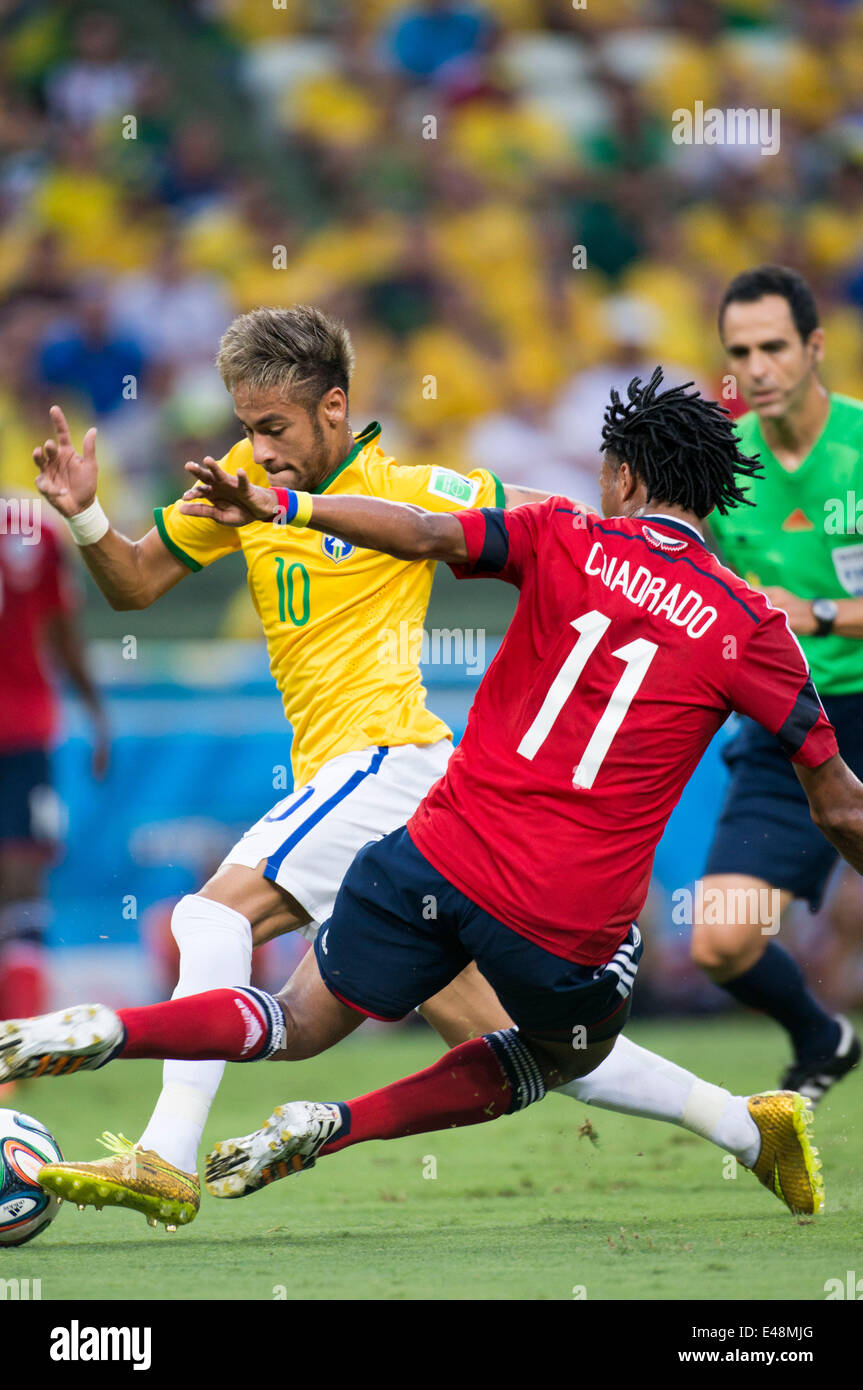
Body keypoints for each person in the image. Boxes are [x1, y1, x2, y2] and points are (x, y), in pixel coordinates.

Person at [9, 369, 855, 1220]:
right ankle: (332, 1125)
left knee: (272, 994)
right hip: (561, 917)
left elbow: (420, 533)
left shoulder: (559, 533)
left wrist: (287, 511)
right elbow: (839, 806)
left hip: (430, 843)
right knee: (541, 1053)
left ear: (625, 478)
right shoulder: (753, 626)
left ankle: (106, 1052)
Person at [696, 265, 863, 1101]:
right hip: (789, 720)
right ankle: (821, 1037)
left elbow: (799, 610)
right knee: (718, 942)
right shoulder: (727, 467)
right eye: (739, 352)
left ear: (814, 347)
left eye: (771, 347)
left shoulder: (861, 448)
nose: (755, 368)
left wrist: (821, 613)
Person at [0, 502, 108, 1036]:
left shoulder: (35, 529)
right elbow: (65, 634)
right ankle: (18, 1041)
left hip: (22, 730)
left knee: (21, 878)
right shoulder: (31, 527)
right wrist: (97, 714)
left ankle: (16, 1038)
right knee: (22, 884)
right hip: (21, 730)